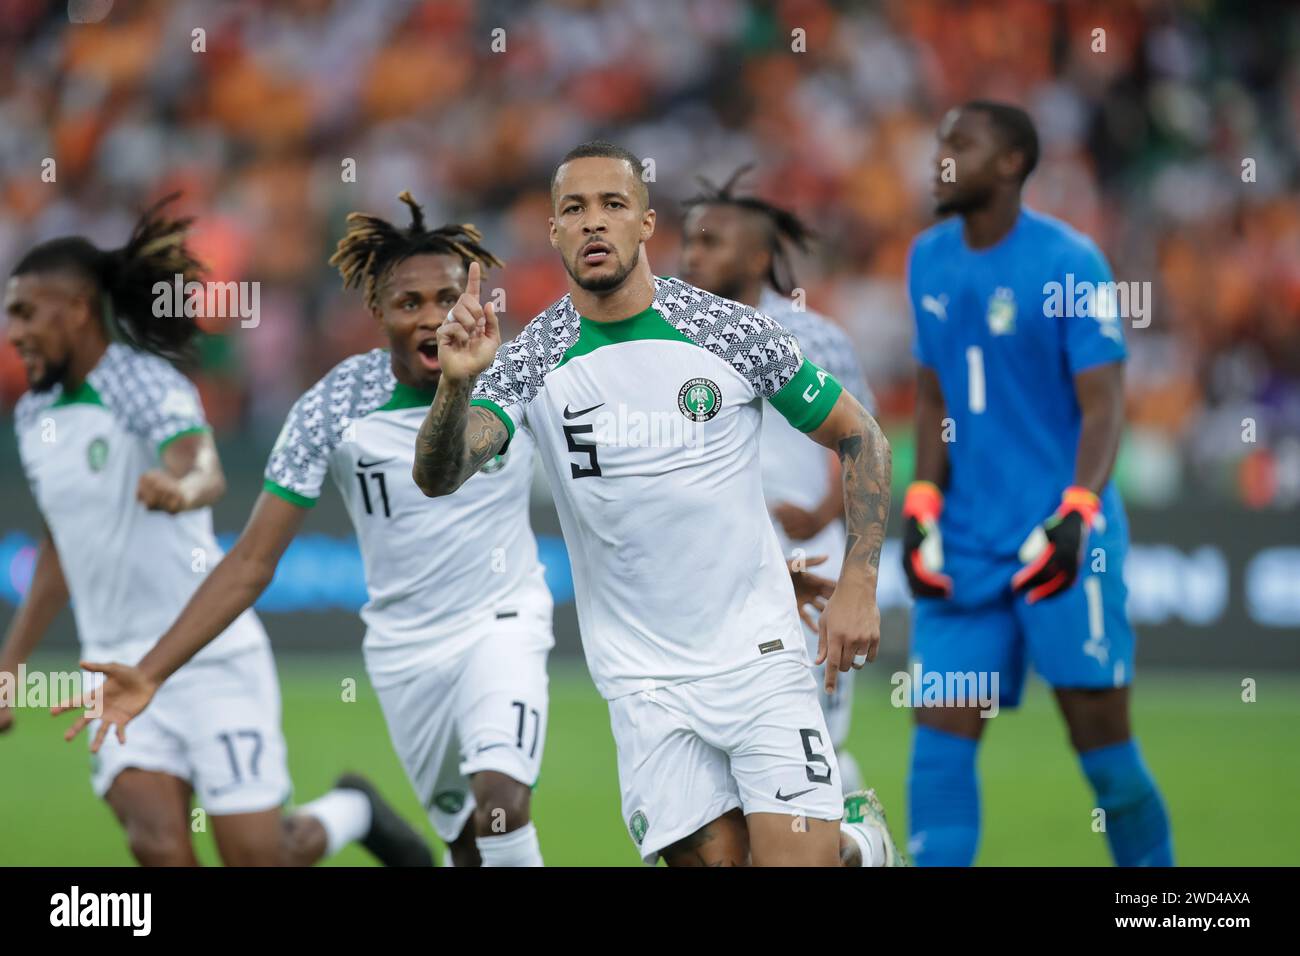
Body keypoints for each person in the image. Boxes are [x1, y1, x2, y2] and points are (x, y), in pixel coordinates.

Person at [413, 142, 903, 867]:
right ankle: (853, 848)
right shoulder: (528, 360)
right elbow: (440, 475)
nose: (593, 223)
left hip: (760, 657)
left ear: (645, 224)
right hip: (643, 685)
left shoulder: (726, 331)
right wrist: (455, 384)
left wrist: (859, 581)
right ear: (553, 231)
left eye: (612, 205)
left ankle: (855, 844)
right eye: (573, 209)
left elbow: (862, 436)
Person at [54, 194, 554, 867]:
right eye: (410, 304)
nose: (433, 317)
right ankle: (373, 819)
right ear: (377, 312)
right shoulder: (333, 405)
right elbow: (251, 563)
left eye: (448, 298)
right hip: (405, 652)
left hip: (505, 619)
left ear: (475, 300)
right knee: (466, 841)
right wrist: (149, 673)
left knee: (502, 804)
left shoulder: (517, 377)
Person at [7, 196, 429, 866]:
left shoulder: (143, 384)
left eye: (26, 312)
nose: (15, 330)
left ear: (76, 310)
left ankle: (351, 810)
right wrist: (10, 665)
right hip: (115, 663)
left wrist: (184, 486)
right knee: (160, 849)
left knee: (258, 857)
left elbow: (200, 461)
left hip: (211, 658)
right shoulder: (35, 418)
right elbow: (62, 543)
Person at [902, 101, 1173, 866]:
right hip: (963, 547)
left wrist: (1078, 512)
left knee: (1107, 760)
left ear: (1012, 162)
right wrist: (921, 504)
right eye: (940, 140)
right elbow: (933, 395)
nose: (941, 157)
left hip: (1057, 543)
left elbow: (1105, 404)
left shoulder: (1069, 262)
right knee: (938, 758)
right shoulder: (927, 256)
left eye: (961, 143)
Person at [680, 166, 876, 796]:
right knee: (720, 759)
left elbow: (864, 442)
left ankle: (857, 839)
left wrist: (823, 510)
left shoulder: (815, 337)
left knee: (811, 749)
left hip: (803, 567)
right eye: (691, 240)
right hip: (709, 573)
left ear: (760, 255)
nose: (692, 254)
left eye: (712, 241)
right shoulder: (672, 335)